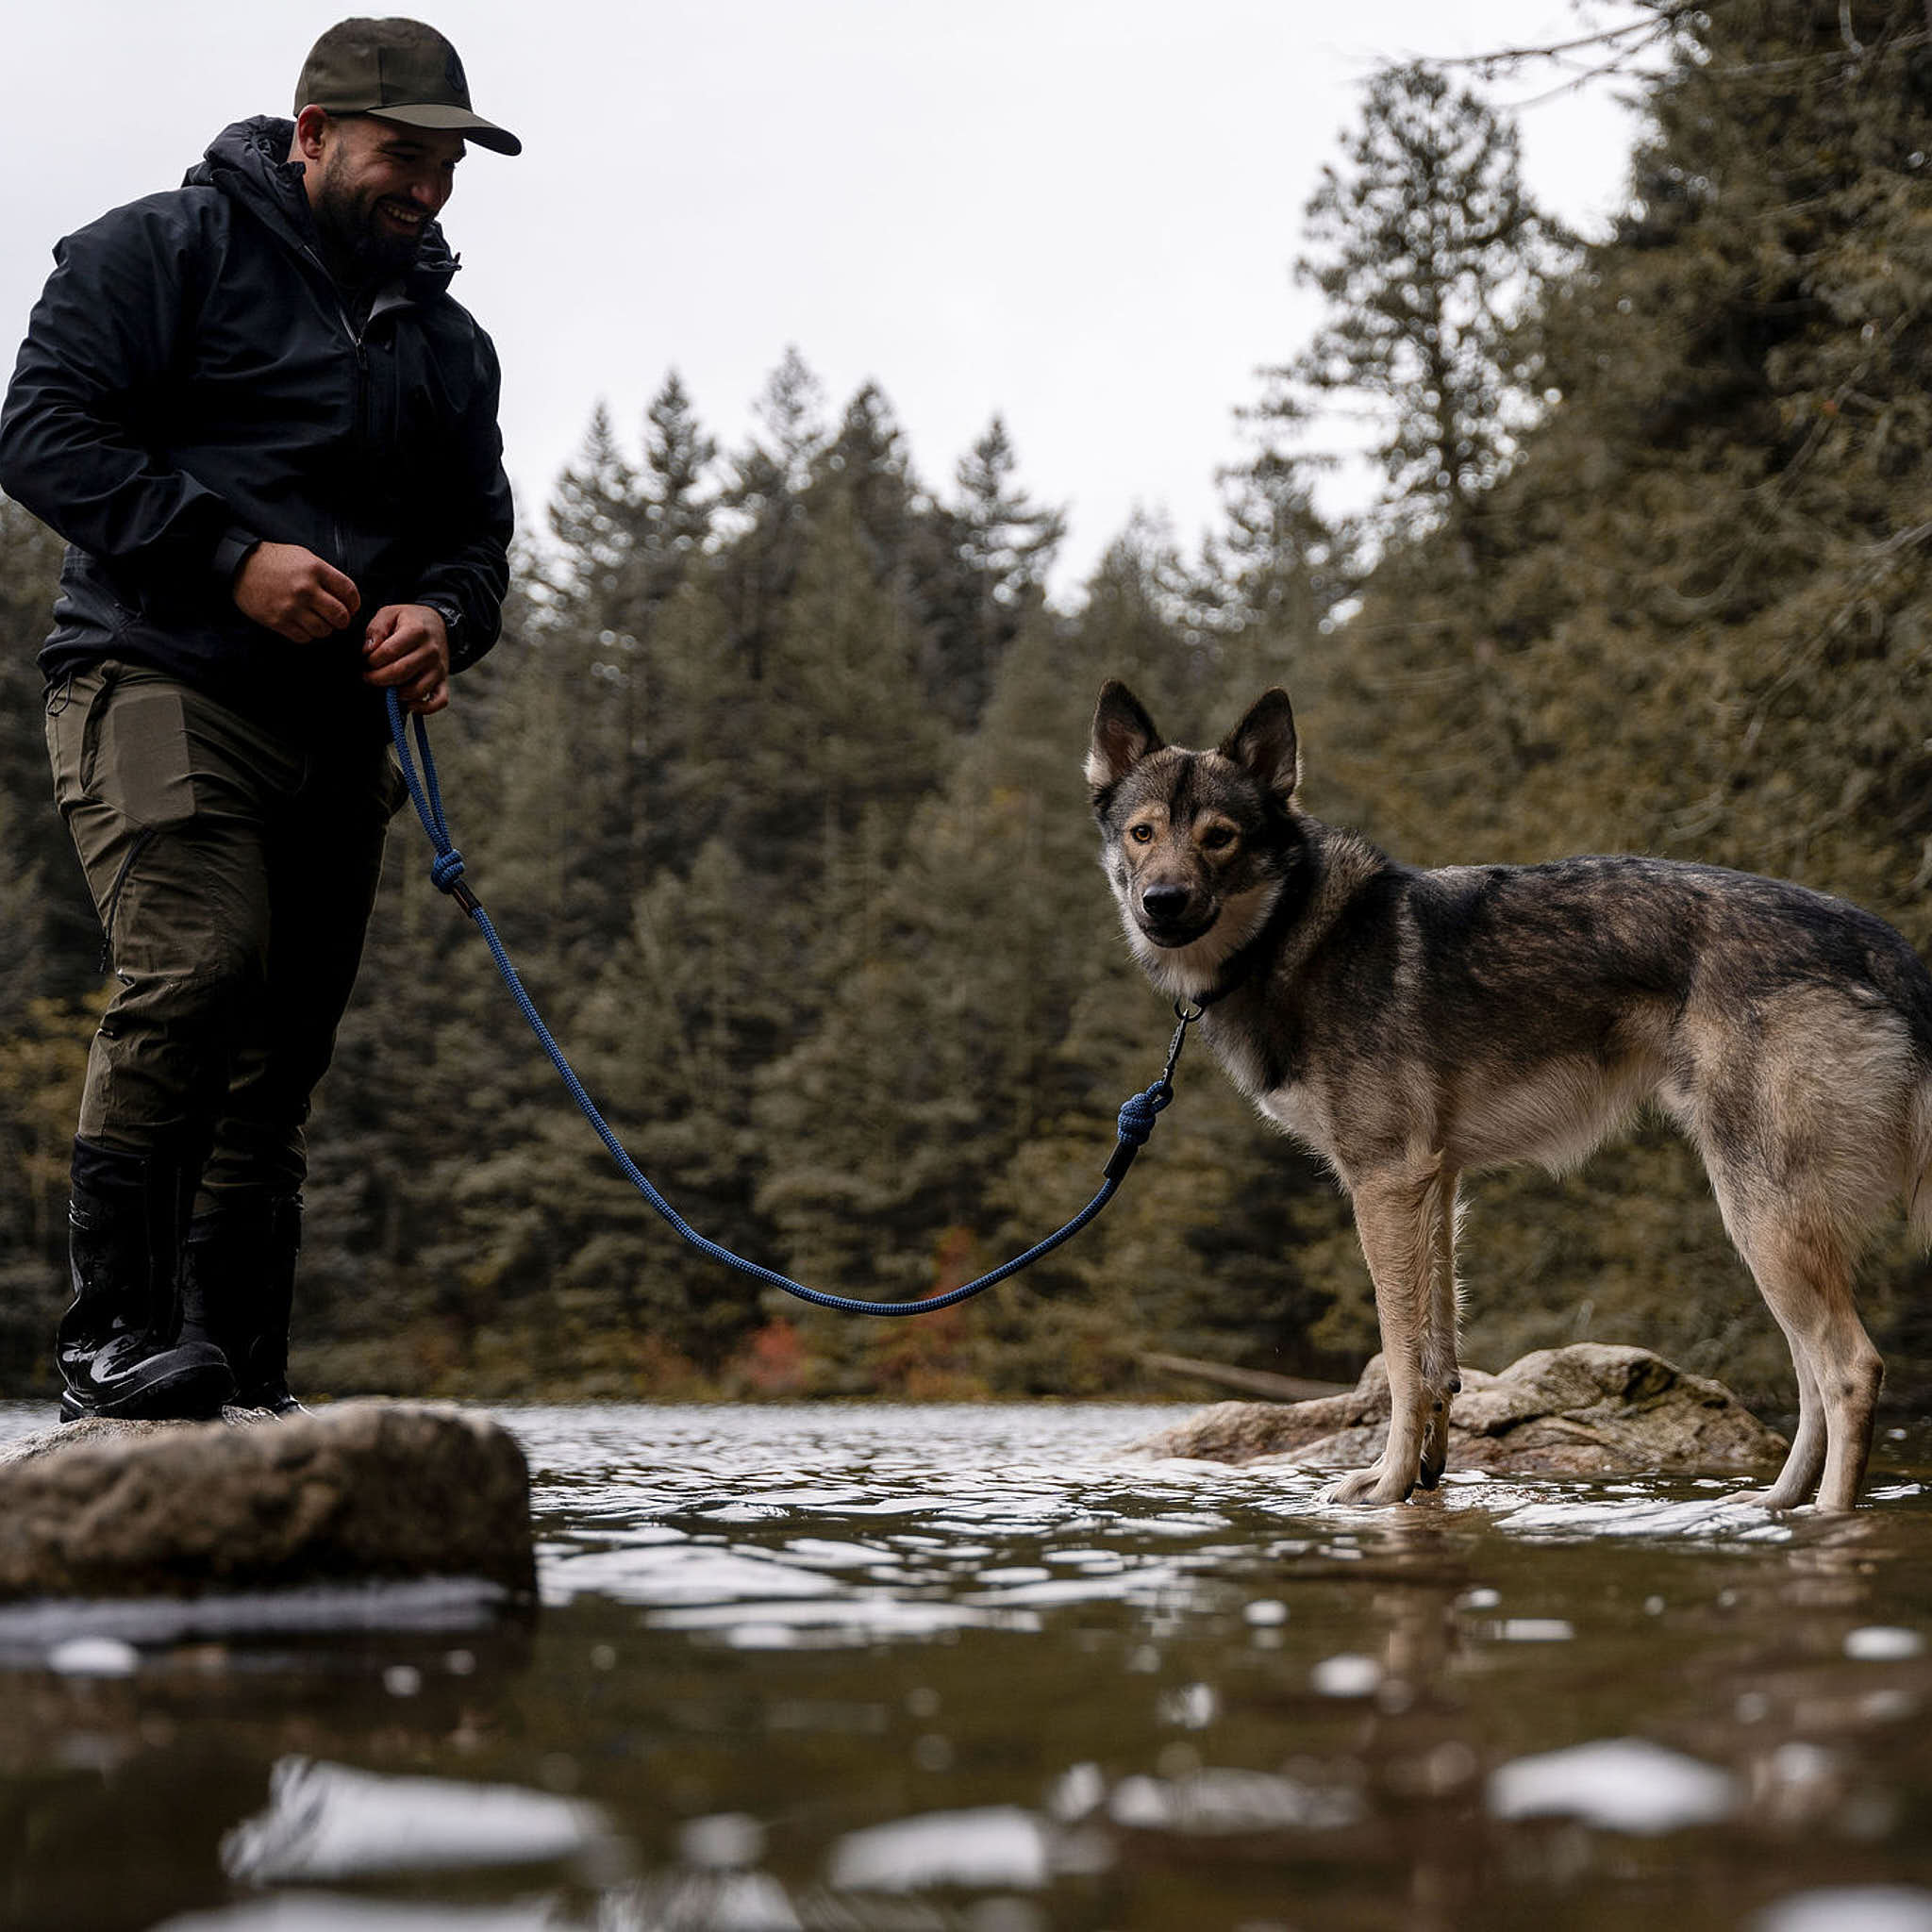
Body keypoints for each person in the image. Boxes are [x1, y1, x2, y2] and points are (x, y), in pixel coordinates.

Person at [0, 19, 519, 1422]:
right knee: (200, 969)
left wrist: (444, 618)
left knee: (283, 1052)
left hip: (337, 734)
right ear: (310, 133)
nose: (429, 190)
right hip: (152, 675)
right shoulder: (154, 254)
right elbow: (39, 431)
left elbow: (476, 538)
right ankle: (111, 1342)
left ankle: (242, 1373)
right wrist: (230, 555)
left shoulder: (449, 346)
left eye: (448, 166)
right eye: (403, 156)